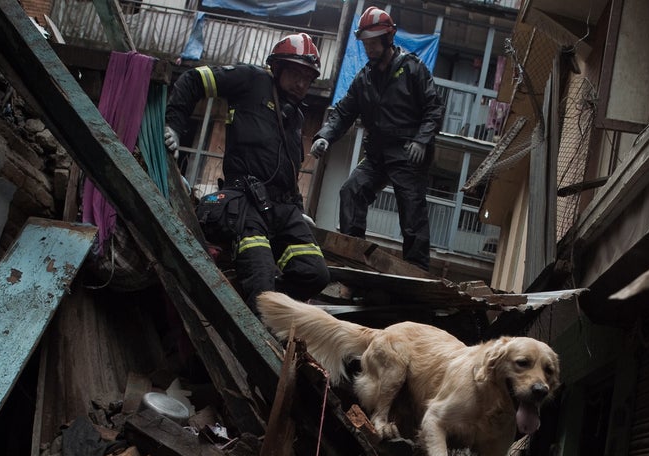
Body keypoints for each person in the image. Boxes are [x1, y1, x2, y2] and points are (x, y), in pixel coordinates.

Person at [164, 33, 330, 310]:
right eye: (296, 74)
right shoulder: (251, 80)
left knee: (316, 273)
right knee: (260, 277)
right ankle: (262, 326)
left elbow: (289, 168)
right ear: (277, 67)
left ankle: (272, 311)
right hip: (245, 201)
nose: (302, 83)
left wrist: (297, 208)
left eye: (308, 78)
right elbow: (193, 80)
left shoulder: (297, 116)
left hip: (282, 208)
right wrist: (174, 125)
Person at [310, 7, 444, 272]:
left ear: (388, 38)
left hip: (407, 151)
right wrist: (325, 135)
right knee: (351, 190)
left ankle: (416, 268)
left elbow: (434, 108)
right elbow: (344, 112)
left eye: (374, 42)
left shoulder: (412, 69)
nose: (369, 48)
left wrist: (421, 140)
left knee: (411, 206)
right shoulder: (364, 79)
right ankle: (355, 254)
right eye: (366, 43)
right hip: (376, 154)